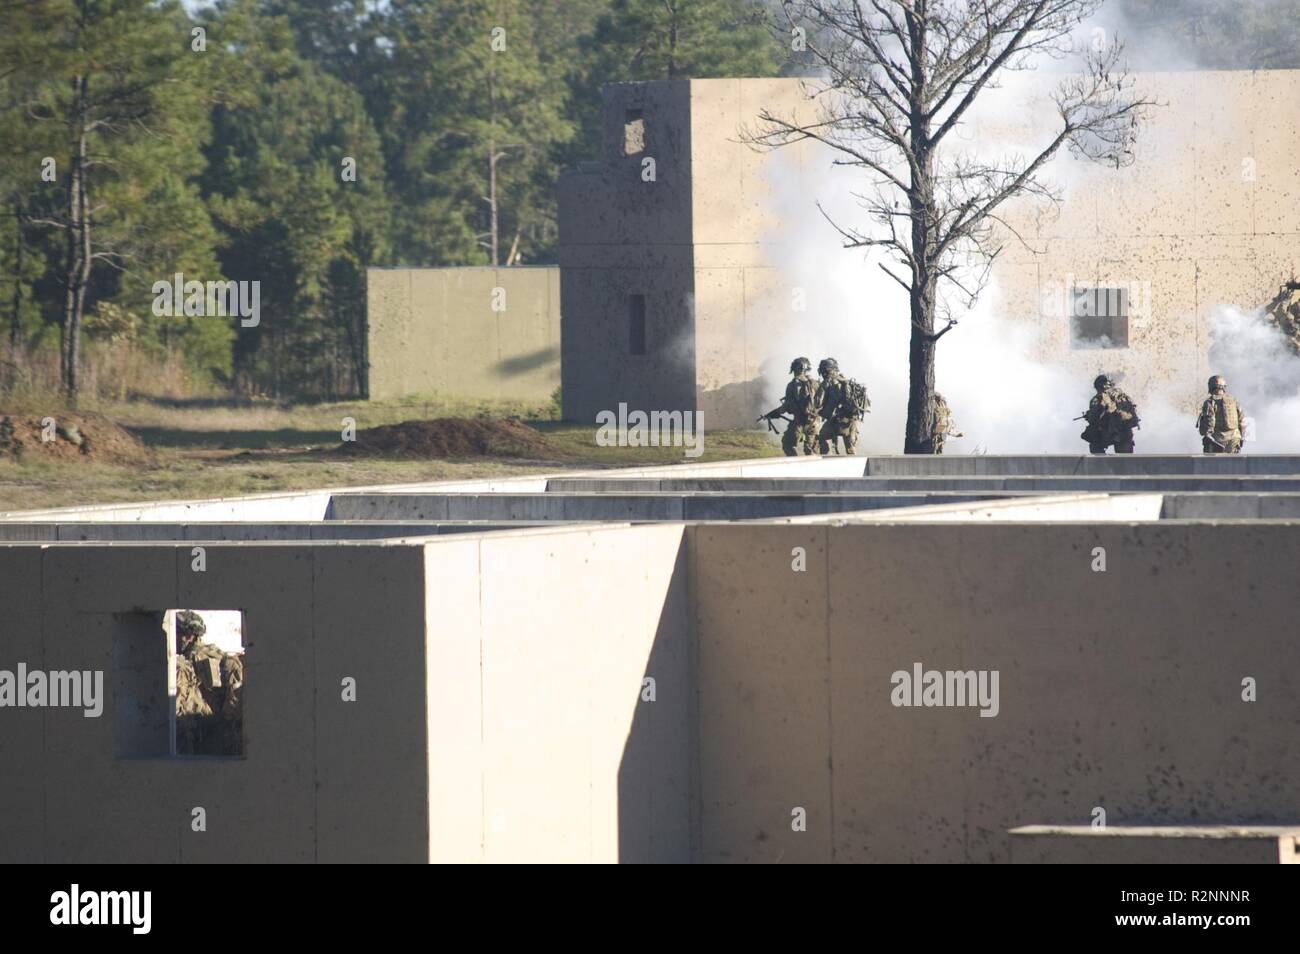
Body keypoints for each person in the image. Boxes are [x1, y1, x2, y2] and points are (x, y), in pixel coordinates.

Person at [174, 610, 244, 756]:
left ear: (187, 636)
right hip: (223, 735)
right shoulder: (219, 655)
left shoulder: (182, 663)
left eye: (176, 633)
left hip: (200, 734)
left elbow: (180, 707)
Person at [759, 357, 822, 456]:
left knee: (787, 444)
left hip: (799, 422)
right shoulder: (815, 383)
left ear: (794, 369)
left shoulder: (792, 385)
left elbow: (786, 407)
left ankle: (796, 466)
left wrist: (771, 414)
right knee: (812, 451)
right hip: (815, 422)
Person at [815, 358, 869, 455]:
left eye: (826, 371)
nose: (824, 374)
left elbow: (848, 406)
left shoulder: (842, 384)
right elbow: (818, 404)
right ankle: (828, 462)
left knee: (850, 449)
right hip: (836, 421)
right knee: (822, 437)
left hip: (847, 422)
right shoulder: (829, 384)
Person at [1080, 374, 1139, 454]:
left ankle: (1099, 464)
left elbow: (1093, 418)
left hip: (1109, 432)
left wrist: (1089, 416)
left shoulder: (1098, 398)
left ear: (1098, 387)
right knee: (1125, 461)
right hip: (1123, 433)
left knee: (1093, 440)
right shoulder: (1123, 396)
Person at [1198, 375, 1246, 454]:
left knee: (1215, 465)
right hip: (1235, 439)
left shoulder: (1210, 402)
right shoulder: (1233, 400)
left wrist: (1207, 435)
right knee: (1233, 464)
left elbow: (1210, 420)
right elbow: (1242, 420)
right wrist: (1242, 437)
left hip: (1217, 441)